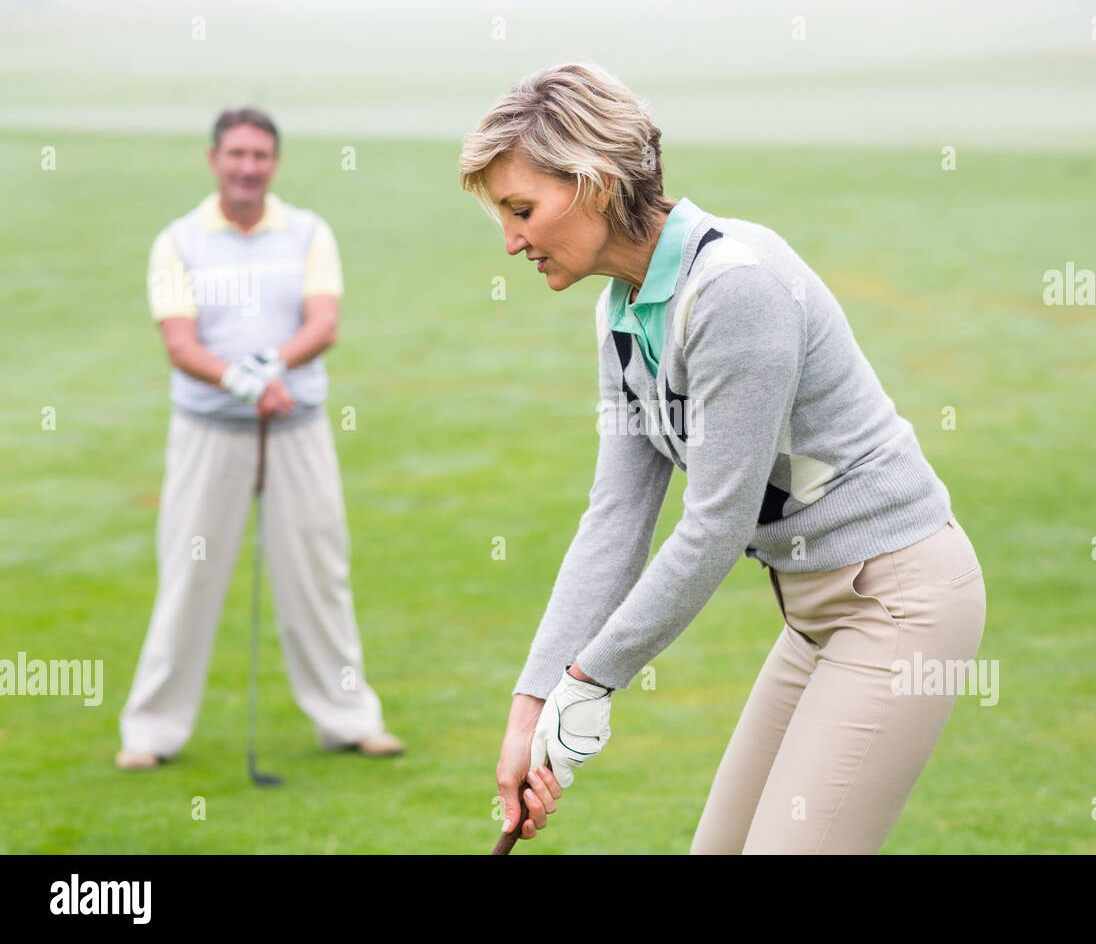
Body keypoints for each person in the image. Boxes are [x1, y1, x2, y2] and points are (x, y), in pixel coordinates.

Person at [460, 63, 986, 853]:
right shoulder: (622, 312)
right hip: (810, 619)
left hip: (898, 604)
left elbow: (713, 524)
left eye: (522, 210)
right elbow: (617, 518)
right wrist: (532, 704)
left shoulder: (736, 289)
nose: (511, 241)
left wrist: (591, 679)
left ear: (595, 183)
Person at [116, 107, 404, 770]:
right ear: (214, 159)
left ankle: (348, 719)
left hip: (297, 427)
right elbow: (179, 342)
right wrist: (239, 381)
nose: (249, 167)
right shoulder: (178, 241)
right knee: (188, 575)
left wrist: (271, 367)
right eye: (237, 154)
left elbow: (323, 324)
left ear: (274, 163)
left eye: (261, 156)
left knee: (317, 571)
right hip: (208, 432)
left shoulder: (306, 232)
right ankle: (152, 732)